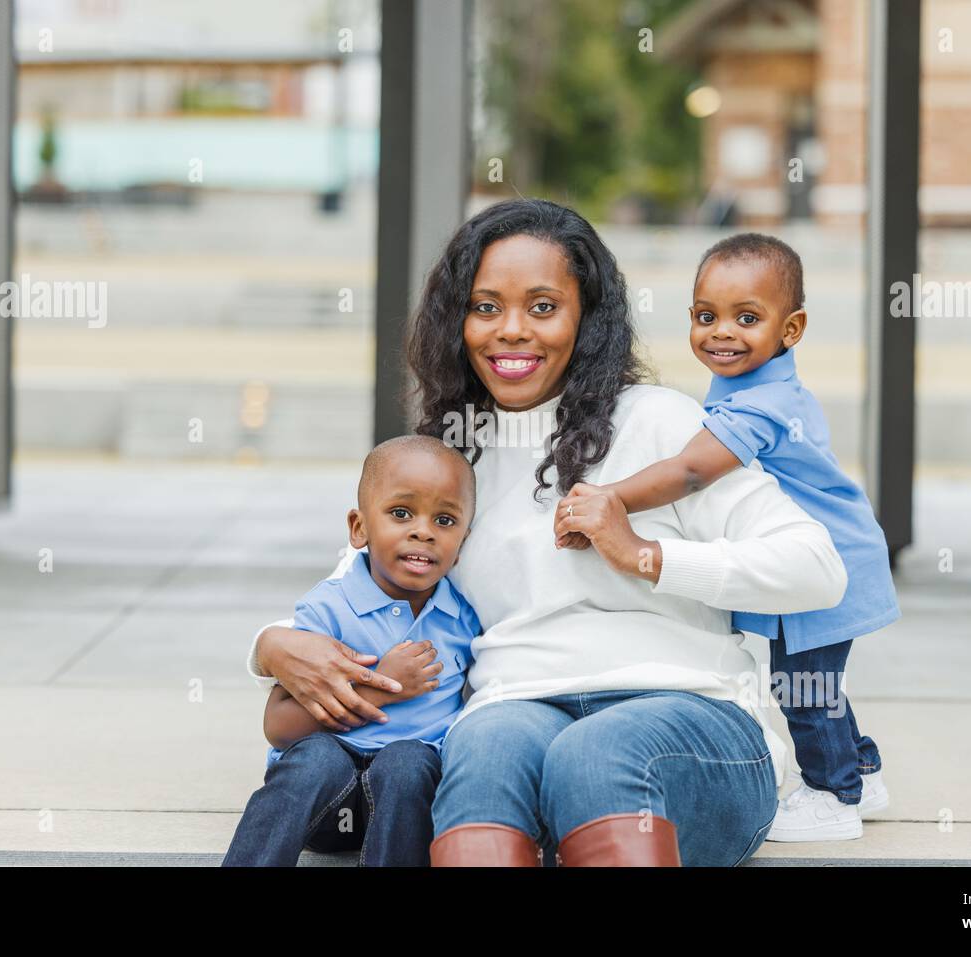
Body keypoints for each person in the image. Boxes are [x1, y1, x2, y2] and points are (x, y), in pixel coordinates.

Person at [246, 199, 848, 866]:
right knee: (483, 746)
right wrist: (271, 642)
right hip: (515, 706)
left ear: (585, 319)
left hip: (690, 715)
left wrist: (646, 555)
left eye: (541, 307)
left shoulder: (660, 425)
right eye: (485, 307)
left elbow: (817, 565)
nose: (510, 331)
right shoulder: (450, 456)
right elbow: (361, 575)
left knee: (588, 754)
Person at [554, 233, 899, 842]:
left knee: (804, 687)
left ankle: (834, 795)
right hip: (833, 551)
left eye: (747, 319)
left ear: (791, 330)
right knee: (816, 679)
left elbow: (689, 471)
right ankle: (862, 770)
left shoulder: (763, 403)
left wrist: (611, 501)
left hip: (826, 562)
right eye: (707, 317)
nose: (723, 333)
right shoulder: (752, 386)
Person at [222, 435, 481, 866]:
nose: (423, 530)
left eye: (445, 520)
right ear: (359, 528)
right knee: (318, 757)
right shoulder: (329, 607)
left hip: (406, 808)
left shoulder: (464, 619)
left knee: (410, 760)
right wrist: (384, 688)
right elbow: (280, 728)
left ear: (464, 541)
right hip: (323, 807)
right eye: (401, 513)